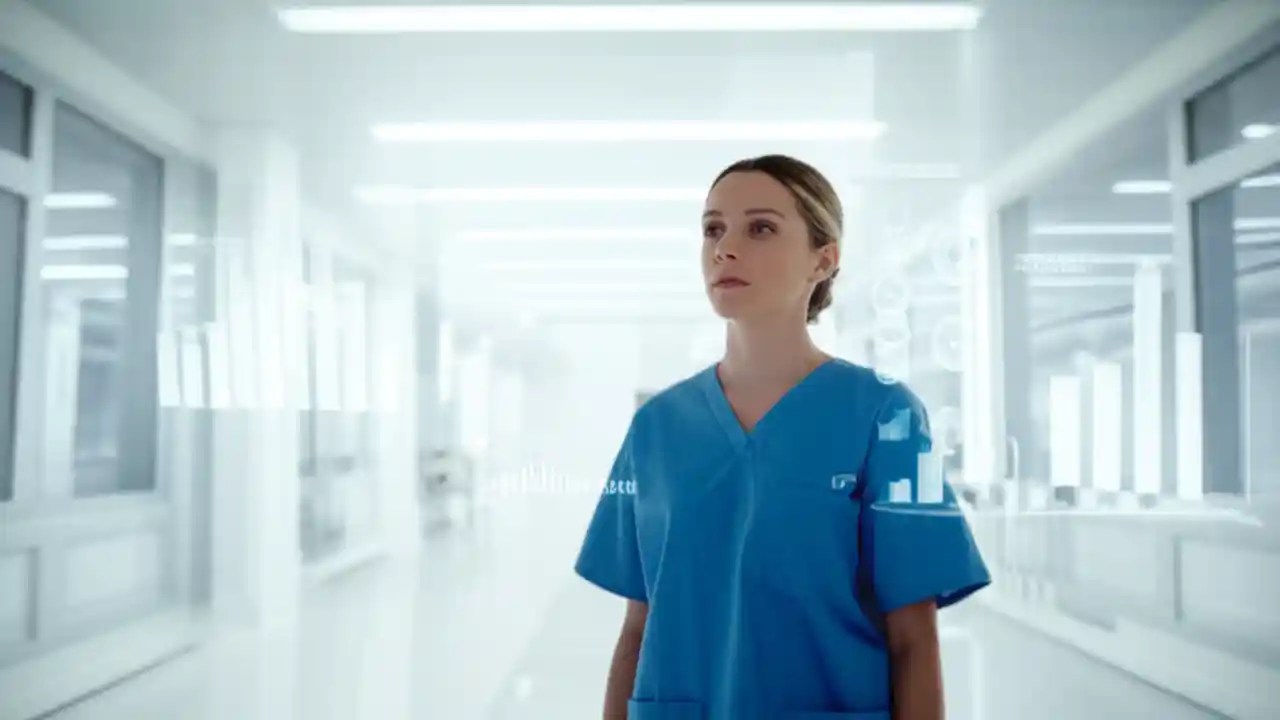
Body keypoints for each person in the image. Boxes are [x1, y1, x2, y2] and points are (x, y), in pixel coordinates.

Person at [574, 154, 991, 720]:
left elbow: (914, 639)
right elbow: (637, 627)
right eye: (713, 229)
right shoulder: (658, 427)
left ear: (824, 258)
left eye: (761, 228)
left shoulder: (885, 416)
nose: (725, 247)